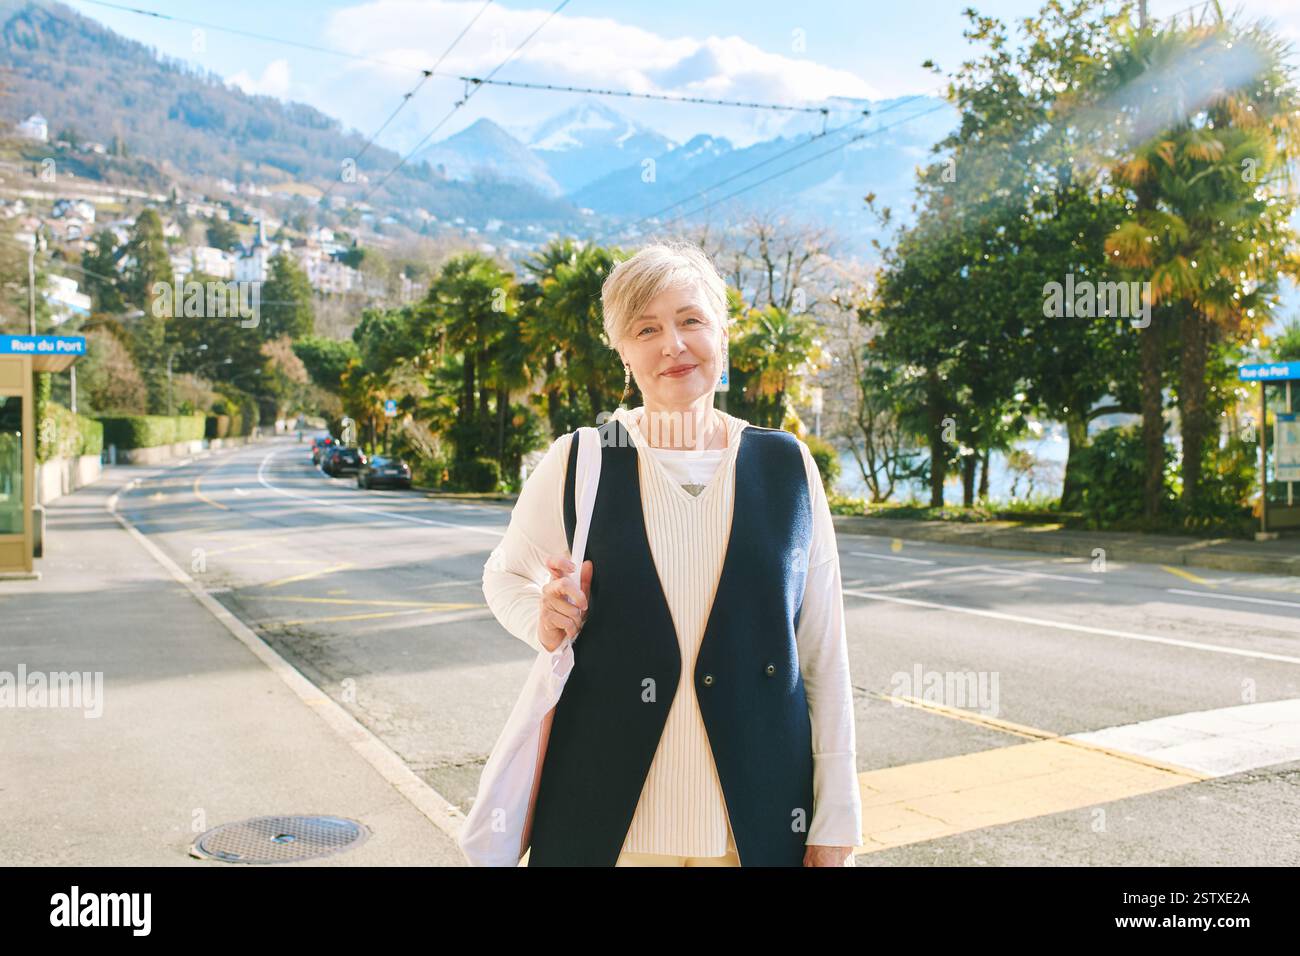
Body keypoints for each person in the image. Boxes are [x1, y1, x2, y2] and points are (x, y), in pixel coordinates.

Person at [482, 240, 862, 867]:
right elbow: (504, 576)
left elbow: (823, 652)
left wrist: (836, 814)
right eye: (646, 329)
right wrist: (541, 618)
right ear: (623, 352)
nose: (673, 345)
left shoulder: (787, 465)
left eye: (691, 320)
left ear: (722, 334)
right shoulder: (580, 460)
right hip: (607, 823)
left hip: (756, 821)